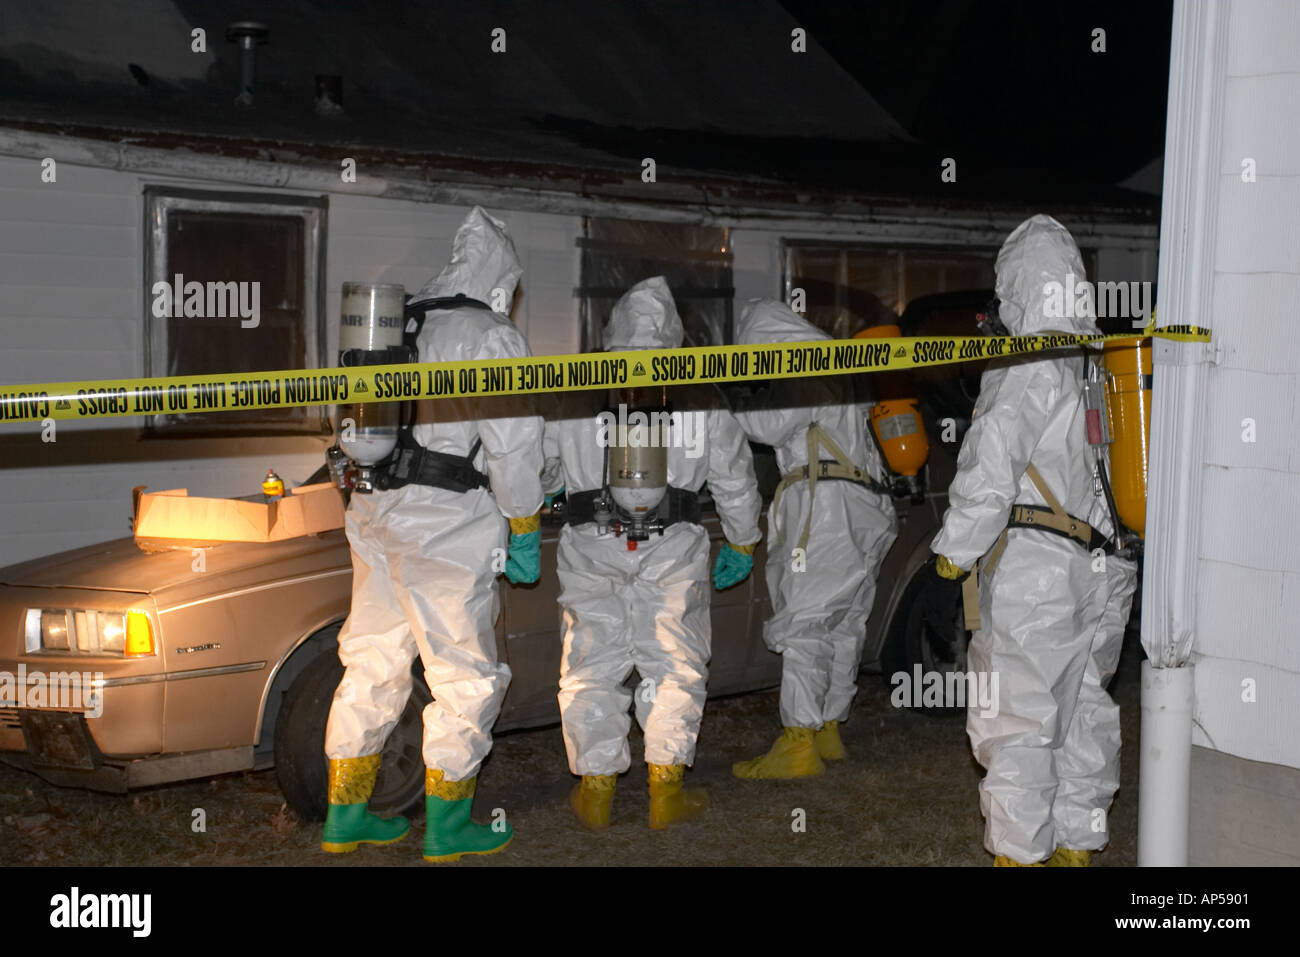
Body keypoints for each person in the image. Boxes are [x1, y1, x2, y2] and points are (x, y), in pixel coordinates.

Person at [321, 207, 544, 862]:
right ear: (501, 277)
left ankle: (345, 814)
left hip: (372, 510)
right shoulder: (490, 333)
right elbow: (515, 438)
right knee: (465, 672)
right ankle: (449, 828)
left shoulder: (402, 319)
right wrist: (525, 519)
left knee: (373, 656)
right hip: (445, 523)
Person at [925, 214, 1139, 866]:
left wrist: (948, 564)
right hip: (1109, 569)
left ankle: (1020, 856)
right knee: (1082, 712)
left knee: (1018, 724)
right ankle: (1076, 850)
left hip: (1040, 572)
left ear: (1017, 284)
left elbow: (990, 467)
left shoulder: (1027, 363)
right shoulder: (1102, 358)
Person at [543, 276, 762, 829]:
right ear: (674, 335)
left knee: (591, 663)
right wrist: (742, 537)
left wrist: (546, 493)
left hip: (590, 542)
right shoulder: (698, 390)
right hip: (673, 543)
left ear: (612, 331)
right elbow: (735, 474)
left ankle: (595, 792)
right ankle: (666, 794)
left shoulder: (577, 386)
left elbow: (542, 465)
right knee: (675, 662)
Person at [730, 300, 899, 779]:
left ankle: (798, 742)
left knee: (806, 622)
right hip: (865, 506)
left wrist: (727, 397)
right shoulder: (841, 365)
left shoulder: (803, 363)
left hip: (827, 508)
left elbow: (766, 426)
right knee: (843, 622)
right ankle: (828, 728)